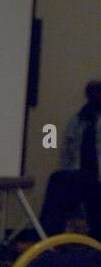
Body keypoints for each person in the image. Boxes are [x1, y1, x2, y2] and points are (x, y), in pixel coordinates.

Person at [40, 80, 101, 239]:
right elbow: (67, 154)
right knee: (58, 179)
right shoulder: (78, 120)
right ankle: (48, 239)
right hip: (82, 175)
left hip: (97, 178)